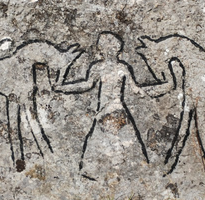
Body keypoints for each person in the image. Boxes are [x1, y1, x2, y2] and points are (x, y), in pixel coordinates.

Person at [53, 32, 171, 179]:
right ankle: (126, 175)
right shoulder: (121, 68)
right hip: (118, 111)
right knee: (127, 146)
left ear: (101, 50)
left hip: (106, 112)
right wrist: (161, 88)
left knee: (100, 146)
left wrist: (64, 87)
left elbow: (86, 85)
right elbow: (137, 90)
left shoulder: (99, 67)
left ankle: (107, 176)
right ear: (117, 49)